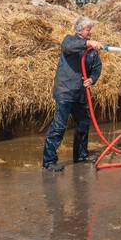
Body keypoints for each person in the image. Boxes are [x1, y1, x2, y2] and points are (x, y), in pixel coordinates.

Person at [42, 16, 103, 172]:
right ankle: (49, 162)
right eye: (88, 29)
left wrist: (92, 79)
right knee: (59, 126)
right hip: (65, 91)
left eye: (90, 29)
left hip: (80, 93)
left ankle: (81, 155)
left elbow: (97, 68)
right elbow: (68, 48)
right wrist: (88, 43)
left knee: (83, 123)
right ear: (79, 30)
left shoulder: (92, 52)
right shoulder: (69, 40)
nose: (90, 32)